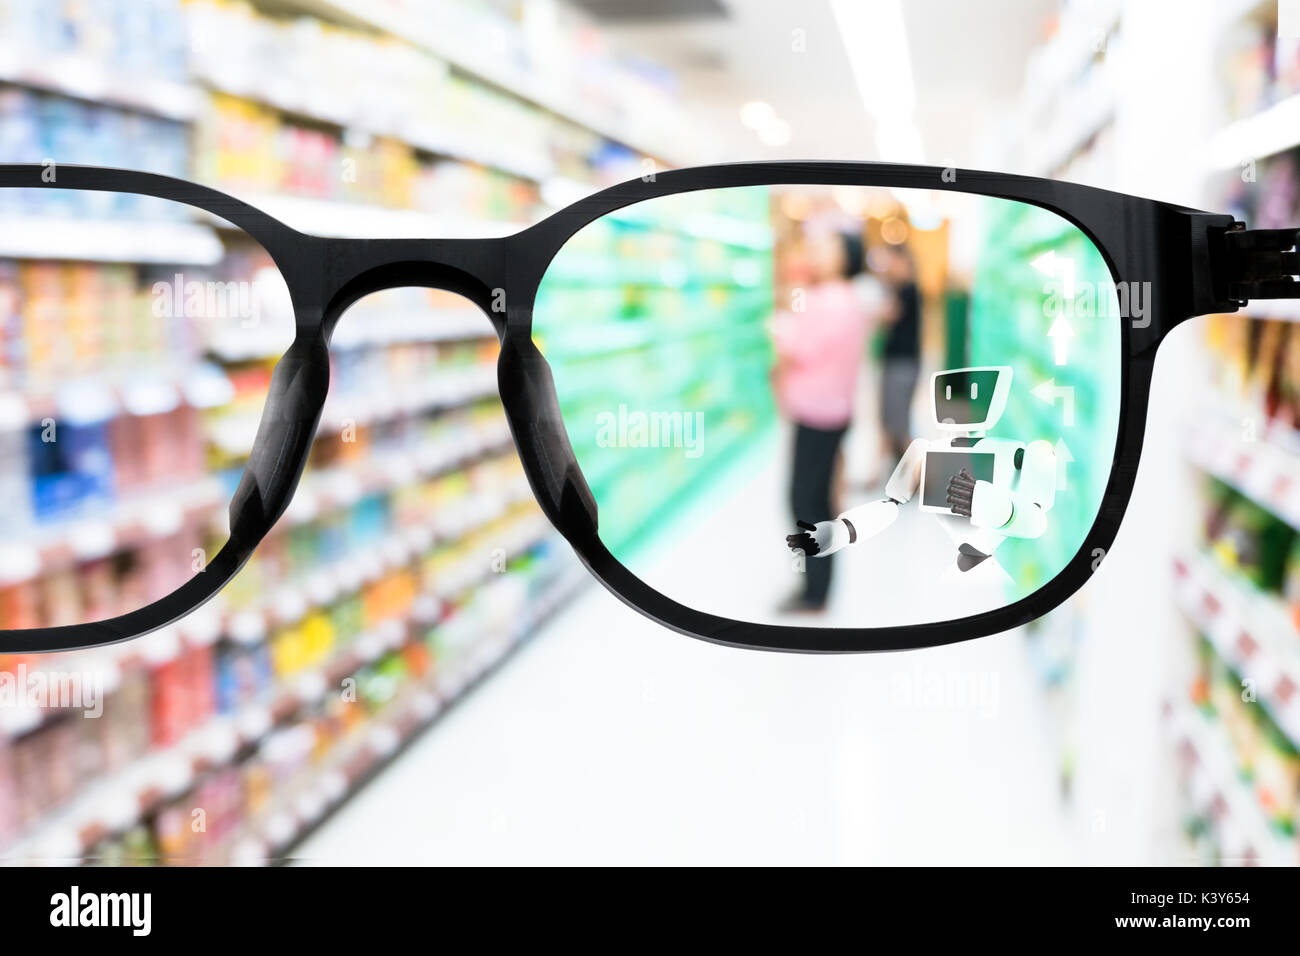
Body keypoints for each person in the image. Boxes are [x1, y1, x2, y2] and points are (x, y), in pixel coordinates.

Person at [770, 229, 870, 613]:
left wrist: (780, 322)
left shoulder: (827, 301)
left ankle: (815, 593)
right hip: (831, 413)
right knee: (816, 499)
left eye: (825, 247)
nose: (815, 253)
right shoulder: (847, 300)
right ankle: (817, 586)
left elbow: (795, 347)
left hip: (818, 416)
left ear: (845, 258)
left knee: (805, 502)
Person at [877, 243, 921, 469]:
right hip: (901, 362)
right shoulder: (906, 288)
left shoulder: (906, 289)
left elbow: (888, 315)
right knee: (894, 422)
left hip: (901, 365)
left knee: (898, 425)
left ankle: (918, 476)